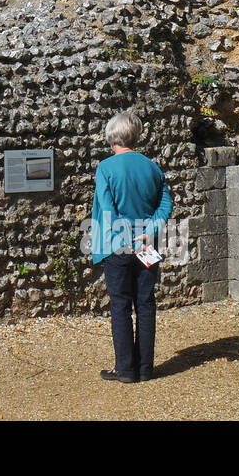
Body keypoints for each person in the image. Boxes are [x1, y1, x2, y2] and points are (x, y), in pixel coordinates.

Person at [90, 110, 172, 383]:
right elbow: (165, 204)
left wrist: (121, 236)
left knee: (121, 306)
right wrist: (151, 230)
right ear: (135, 134)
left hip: (118, 246)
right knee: (146, 304)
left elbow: (107, 208)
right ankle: (146, 368)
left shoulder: (105, 168)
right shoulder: (152, 167)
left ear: (112, 136)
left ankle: (125, 369)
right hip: (146, 244)